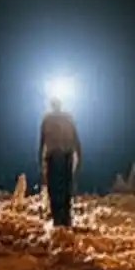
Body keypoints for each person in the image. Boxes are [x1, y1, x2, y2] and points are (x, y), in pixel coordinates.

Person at [39, 97, 81, 227]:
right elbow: (76, 139)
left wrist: (40, 162)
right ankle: (65, 219)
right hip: (64, 156)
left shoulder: (47, 119)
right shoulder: (68, 118)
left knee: (55, 189)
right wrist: (79, 156)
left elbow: (42, 142)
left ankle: (59, 220)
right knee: (65, 188)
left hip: (55, 157)